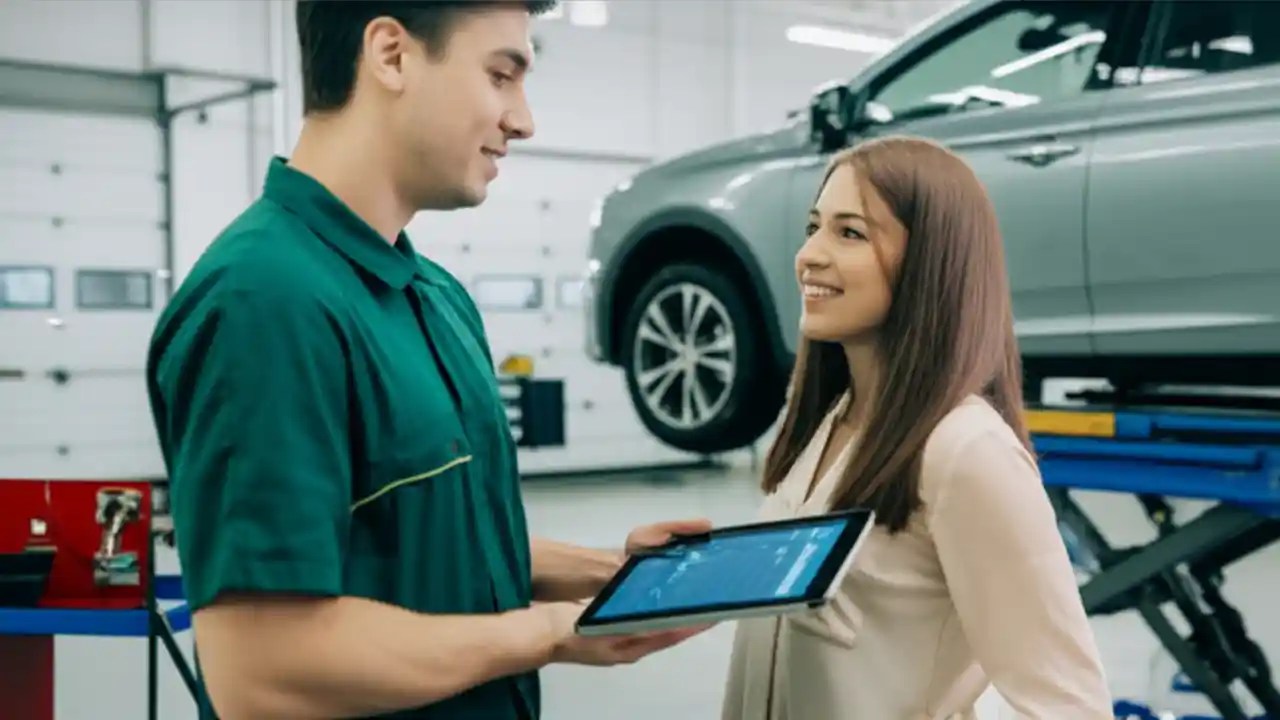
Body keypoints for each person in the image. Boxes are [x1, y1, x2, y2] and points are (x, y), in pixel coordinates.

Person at [145, 2, 710, 719]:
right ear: (390, 55)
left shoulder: (433, 296)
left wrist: (615, 574)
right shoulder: (265, 301)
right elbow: (262, 668)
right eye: (502, 75)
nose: (523, 119)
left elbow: (437, 537)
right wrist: (546, 633)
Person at [720, 136, 1114, 719]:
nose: (809, 254)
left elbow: (1068, 704)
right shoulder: (831, 422)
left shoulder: (965, 450)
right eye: (814, 227)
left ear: (930, 262)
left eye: (849, 232)